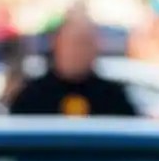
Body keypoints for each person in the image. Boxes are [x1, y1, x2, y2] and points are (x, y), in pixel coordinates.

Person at [8, 8, 139, 118]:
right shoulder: (32, 96)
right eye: (74, 43)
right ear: (57, 44)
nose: (79, 52)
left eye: (86, 43)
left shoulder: (113, 98)